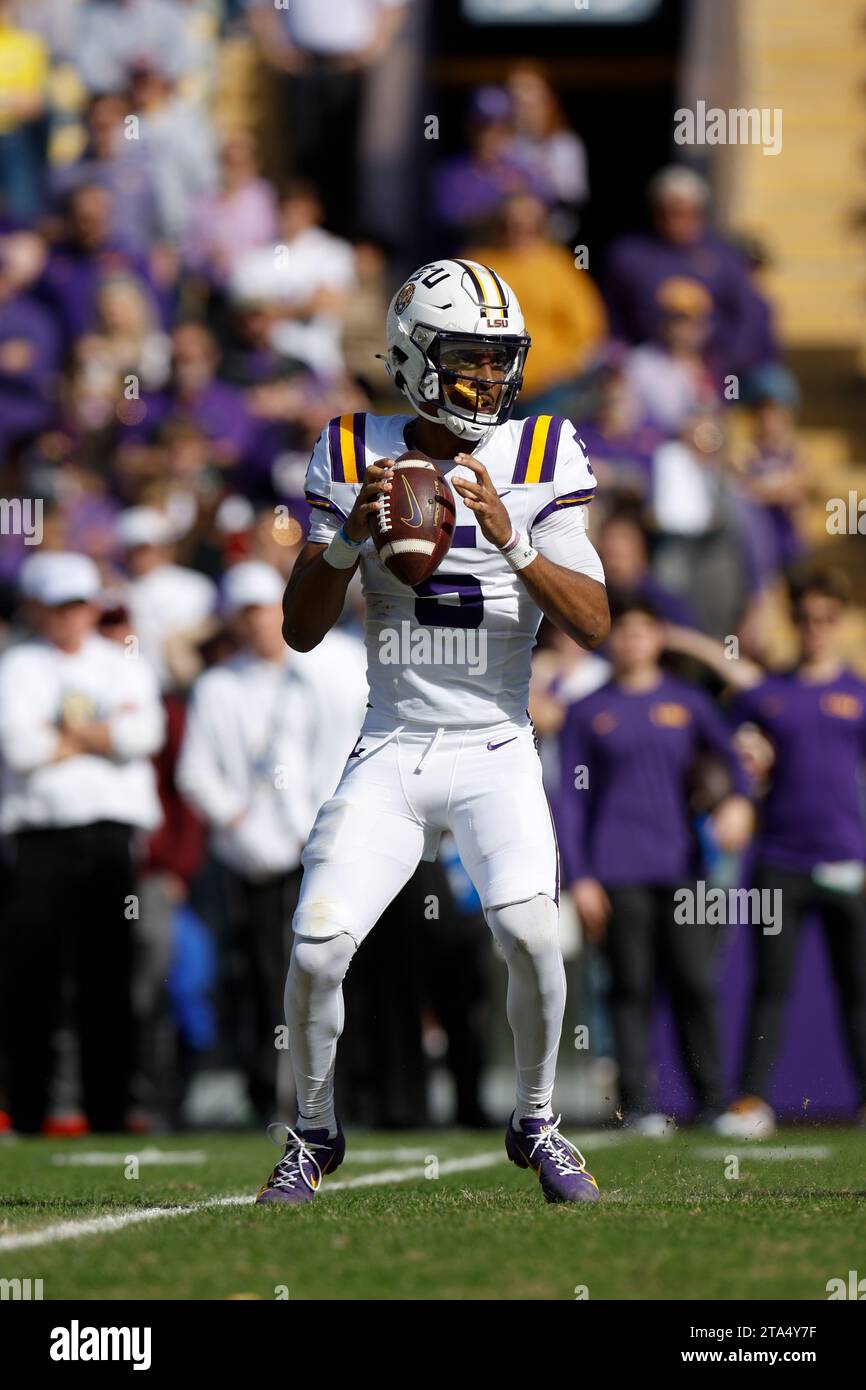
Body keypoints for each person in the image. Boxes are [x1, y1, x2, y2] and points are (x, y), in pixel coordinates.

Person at [255, 256, 609, 1207]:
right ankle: (316, 1131)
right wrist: (342, 542)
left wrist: (515, 540)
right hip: (393, 741)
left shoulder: (542, 454)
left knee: (535, 935)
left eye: (501, 361)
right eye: (469, 360)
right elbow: (298, 628)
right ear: (413, 357)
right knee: (319, 946)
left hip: (496, 743)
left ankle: (537, 1120)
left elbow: (594, 621)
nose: (490, 380)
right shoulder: (348, 447)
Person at [671, 572, 866, 1136]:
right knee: (770, 988)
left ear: (841, 623)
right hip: (780, 860)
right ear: (796, 623)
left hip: (847, 858)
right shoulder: (769, 694)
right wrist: (740, 780)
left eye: (827, 619)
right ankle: (752, 1101)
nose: (817, 630)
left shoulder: (857, 695)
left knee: (857, 989)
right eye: (807, 619)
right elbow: (722, 737)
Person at [177, 561, 367, 1121]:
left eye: (266, 610)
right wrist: (238, 824)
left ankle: (340, 1093)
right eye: (249, 614)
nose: (260, 624)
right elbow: (197, 772)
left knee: (333, 967)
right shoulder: (218, 686)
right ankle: (269, 1094)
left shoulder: (328, 671)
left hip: (323, 847)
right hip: (255, 855)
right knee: (265, 976)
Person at [556, 596, 753, 1131]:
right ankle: (637, 1107)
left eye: (643, 631)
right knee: (629, 988)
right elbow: (569, 802)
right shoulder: (587, 710)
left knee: (693, 981)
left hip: (683, 867)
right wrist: (581, 877)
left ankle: (714, 1104)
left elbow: (736, 762)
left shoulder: (687, 702)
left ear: (659, 638)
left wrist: (738, 801)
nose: (632, 641)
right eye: (623, 632)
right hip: (616, 870)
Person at [0, 551, 165, 1133]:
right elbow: (19, 750)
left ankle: (110, 1110)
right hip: (40, 838)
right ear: (41, 610)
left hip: (108, 837)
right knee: (32, 979)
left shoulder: (123, 663)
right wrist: (103, 734)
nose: (72, 617)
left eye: (79, 605)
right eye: (60, 607)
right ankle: (27, 1108)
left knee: (108, 977)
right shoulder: (19, 667)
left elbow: (146, 732)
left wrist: (61, 734)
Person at [604, 166, 772, 378]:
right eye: (666, 213)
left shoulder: (725, 258)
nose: (675, 222)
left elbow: (748, 319)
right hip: (648, 368)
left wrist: (724, 364)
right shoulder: (629, 256)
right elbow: (611, 318)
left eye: (683, 213)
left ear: (699, 213)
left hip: (714, 368)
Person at [465, 192, 607, 412]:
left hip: (548, 387)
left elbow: (588, 328)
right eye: (507, 224)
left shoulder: (558, 263)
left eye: (525, 226)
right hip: (485, 383)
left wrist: (564, 368)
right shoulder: (476, 262)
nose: (515, 231)